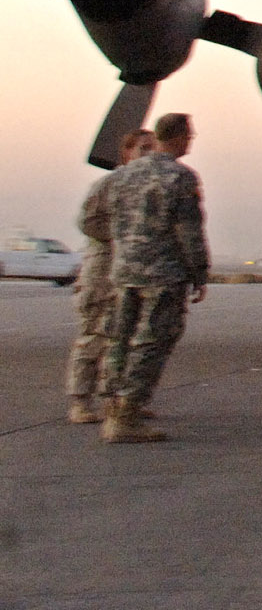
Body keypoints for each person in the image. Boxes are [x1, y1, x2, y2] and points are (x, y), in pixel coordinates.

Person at [100, 114, 209, 444]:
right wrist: (199, 273)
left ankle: (112, 404)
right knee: (152, 343)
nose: (191, 141)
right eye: (189, 136)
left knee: (120, 339)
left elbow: (110, 221)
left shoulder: (123, 175)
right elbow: (189, 231)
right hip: (162, 274)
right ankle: (127, 416)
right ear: (178, 137)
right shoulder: (180, 177)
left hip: (125, 271)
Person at [65, 129, 158, 425]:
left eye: (153, 148)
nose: (149, 154)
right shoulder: (110, 183)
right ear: (127, 152)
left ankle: (116, 401)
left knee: (125, 339)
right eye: (143, 148)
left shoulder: (153, 186)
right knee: (94, 334)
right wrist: (121, 237)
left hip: (133, 270)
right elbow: (88, 221)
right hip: (103, 268)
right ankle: (81, 400)